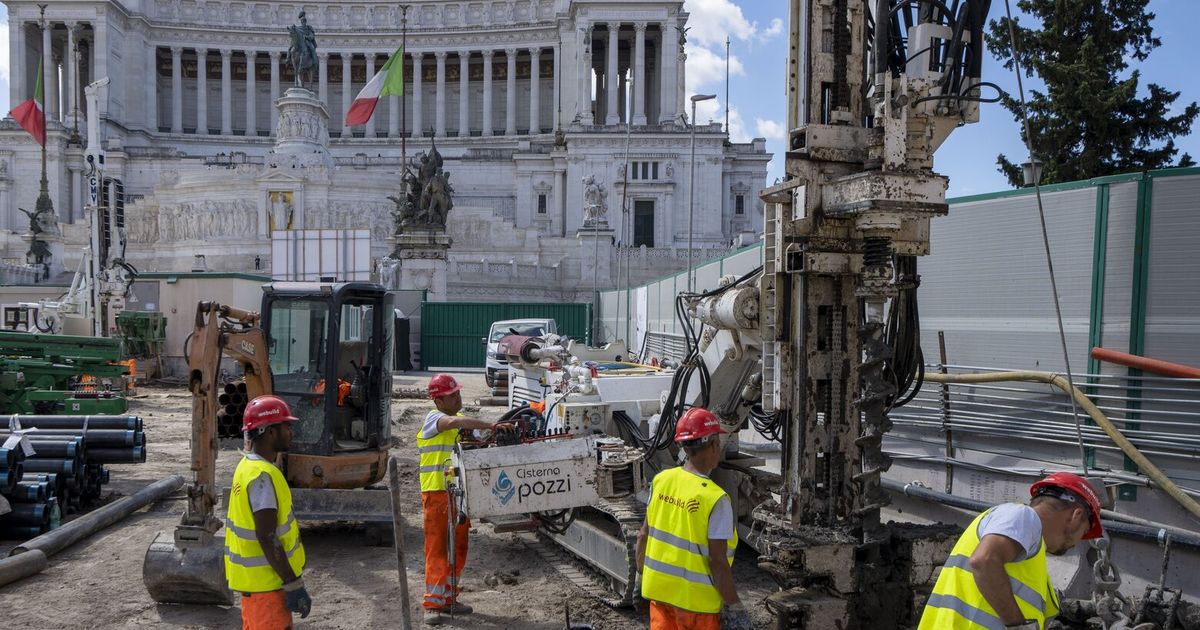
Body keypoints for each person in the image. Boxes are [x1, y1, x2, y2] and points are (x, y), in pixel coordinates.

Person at [918, 472, 1104, 630]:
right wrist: (1017, 625)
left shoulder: (1032, 552)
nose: (1077, 542)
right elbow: (984, 561)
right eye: (1084, 532)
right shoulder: (1023, 516)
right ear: (1076, 516)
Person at [636, 407, 751, 630]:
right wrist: (734, 605)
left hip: (660, 596)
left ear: (685, 448)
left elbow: (643, 535)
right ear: (714, 445)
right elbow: (717, 561)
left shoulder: (662, 480)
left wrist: (641, 576)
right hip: (697, 606)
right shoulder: (714, 498)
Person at [419, 373, 512, 626]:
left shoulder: (460, 421)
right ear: (438, 401)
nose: (459, 398)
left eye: (459, 393)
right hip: (437, 494)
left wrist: (493, 435)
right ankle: (432, 604)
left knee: (458, 548)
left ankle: (449, 598)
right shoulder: (435, 419)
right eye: (453, 395)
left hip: (459, 495)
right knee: (437, 550)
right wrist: (489, 424)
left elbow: (477, 442)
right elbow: (450, 423)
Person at [225, 395, 312, 629]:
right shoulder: (262, 476)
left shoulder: (246, 468)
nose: (291, 432)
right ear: (270, 432)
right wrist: (293, 584)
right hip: (267, 589)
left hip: (258, 588)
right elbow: (267, 536)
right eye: (286, 426)